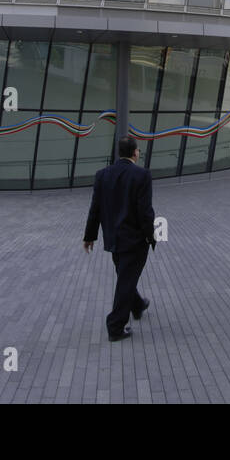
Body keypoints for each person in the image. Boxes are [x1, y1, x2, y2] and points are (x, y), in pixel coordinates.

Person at [82, 135, 155, 342]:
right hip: (135, 240)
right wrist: (151, 236)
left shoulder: (102, 175)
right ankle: (115, 326)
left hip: (114, 240)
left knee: (125, 276)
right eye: (138, 150)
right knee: (126, 279)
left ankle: (138, 305)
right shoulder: (142, 175)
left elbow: (94, 209)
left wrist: (89, 236)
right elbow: (145, 211)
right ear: (135, 153)